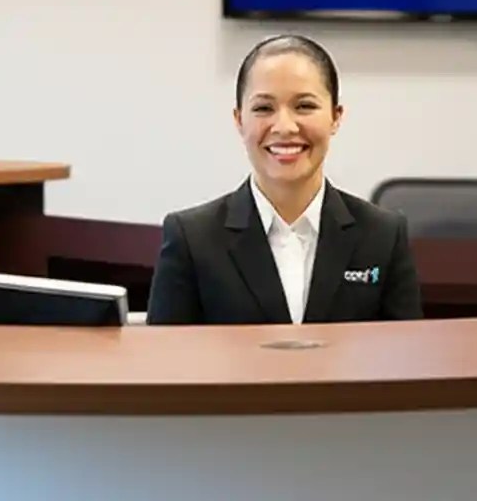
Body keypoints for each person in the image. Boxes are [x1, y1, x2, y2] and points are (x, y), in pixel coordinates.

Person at [146, 34, 423, 325]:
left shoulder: (383, 235)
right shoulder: (192, 238)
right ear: (239, 120)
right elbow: (166, 364)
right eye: (264, 108)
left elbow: (405, 362)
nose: (285, 127)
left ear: (335, 117)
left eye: (304, 106)